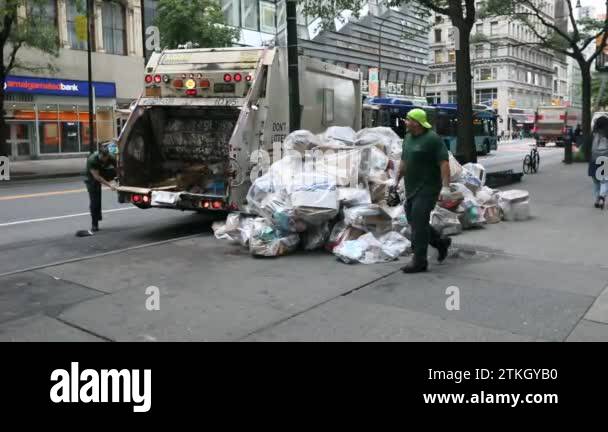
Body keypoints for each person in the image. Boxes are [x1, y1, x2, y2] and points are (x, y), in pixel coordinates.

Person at [396, 108, 452, 274]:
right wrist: (397, 177)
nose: (405, 122)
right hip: (411, 188)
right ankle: (440, 242)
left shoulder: (432, 139)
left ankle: (419, 261)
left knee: (419, 221)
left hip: (428, 188)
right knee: (414, 220)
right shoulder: (407, 138)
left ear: (417, 122)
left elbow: (444, 163)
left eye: (408, 119)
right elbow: (404, 160)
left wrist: (446, 186)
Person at [85, 145, 117, 232]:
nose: (105, 159)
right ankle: (94, 224)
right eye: (103, 157)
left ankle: (98, 216)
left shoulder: (110, 157)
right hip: (91, 178)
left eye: (106, 157)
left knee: (114, 171)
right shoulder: (92, 160)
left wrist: (115, 180)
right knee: (95, 201)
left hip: (103, 171)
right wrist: (110, 185)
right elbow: (97, 177)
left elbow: (118, 167)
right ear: (99, 154)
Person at [590, 116, 608, 209]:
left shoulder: (593, 134)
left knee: (596, 181)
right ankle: (602, 197)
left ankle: (597, 199)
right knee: (604, 180)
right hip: (605, 160)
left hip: (594, 160)